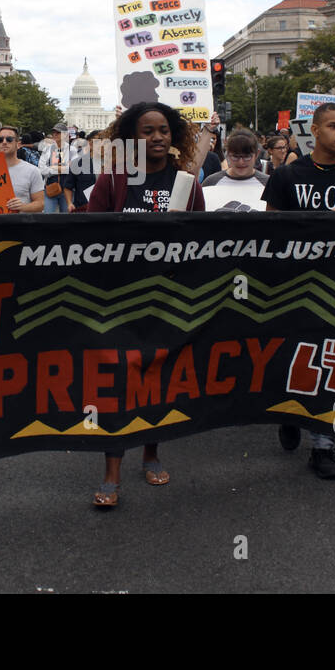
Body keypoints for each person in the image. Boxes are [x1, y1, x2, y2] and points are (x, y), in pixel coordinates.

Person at [86, 102, 205, 506]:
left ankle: (152, 454)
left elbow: (201, 242)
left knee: (158, 379)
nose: (157, 137)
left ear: (173, 135)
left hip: (167, 299)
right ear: (130, 139)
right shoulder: (113, 181)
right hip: (118, 299)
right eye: (146, 130)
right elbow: (87, 237)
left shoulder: (187, 183)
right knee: (117, 384)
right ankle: (111, 470)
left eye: (164, 130)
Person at [263, 104, 335, 479]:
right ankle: (289, 414)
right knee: (293, 355)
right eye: (333, 126)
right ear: (314, 131)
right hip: (294, 285)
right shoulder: (286, 177)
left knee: (331, 362)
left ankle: (324, 444)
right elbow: (270, 232)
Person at [202, 128, 268, 199]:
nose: (241, 162)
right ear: (227, 154)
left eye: (246, 157)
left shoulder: (268, 184)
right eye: (235, 157)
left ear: (257, 154)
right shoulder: (211, 182)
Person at [0, 124, 45, 212]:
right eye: (0, 139)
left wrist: (23, 207)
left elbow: (40, 204)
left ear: (18, 144)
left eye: (9, 139)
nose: (4, 142)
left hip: (20, 223)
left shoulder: (32, 171)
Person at [39, 124, 71, 213]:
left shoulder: (72, 150)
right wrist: (59, 169)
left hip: (67, 191)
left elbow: (73, 170)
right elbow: (41, 169)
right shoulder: (47, 149)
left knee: (67, 219)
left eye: (58, 132)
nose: (55, 134)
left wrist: (52, 168)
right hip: (50, 189)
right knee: (48, 218)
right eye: (54, 132)